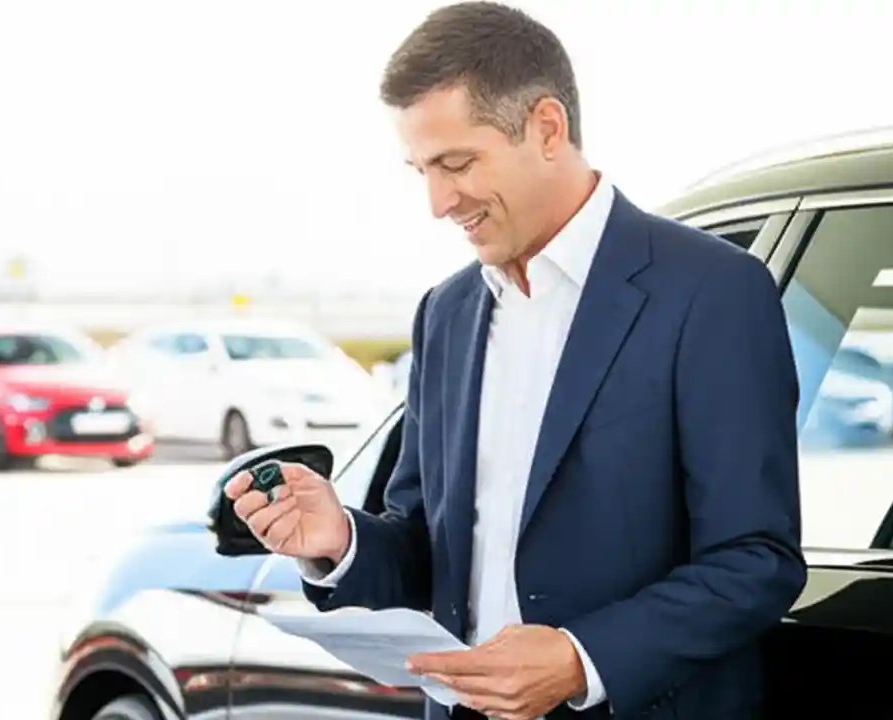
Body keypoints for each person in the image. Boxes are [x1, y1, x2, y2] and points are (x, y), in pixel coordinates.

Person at [224, 3, 806, 719]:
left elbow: (756, 561)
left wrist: (579, 658)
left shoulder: (710, 291)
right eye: (421, 171)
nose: (439, 202)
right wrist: (340, 539)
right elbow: (423, 549)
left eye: (457, 164)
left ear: (547, 129)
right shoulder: (447, 313)